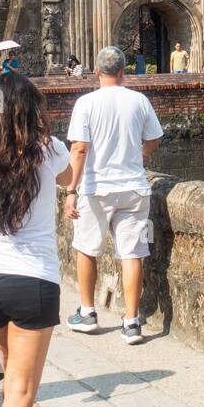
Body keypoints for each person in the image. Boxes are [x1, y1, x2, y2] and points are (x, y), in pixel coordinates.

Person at [0, 74, 72, 407]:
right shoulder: (48, 149)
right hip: (33, 280)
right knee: (22, 392)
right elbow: (70, 177)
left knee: (10, 372)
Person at [64, 46, 163, 345]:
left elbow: (79, 149)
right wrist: (142, 154)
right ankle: (132, 323)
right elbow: (154, 139)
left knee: (87, 248)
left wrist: (71, 189)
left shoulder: (86, 103)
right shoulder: (139, 100)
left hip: (96, 188)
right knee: (132, 253)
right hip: (133, 187)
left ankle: (88, 312)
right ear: (123, 71)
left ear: (96, 71)